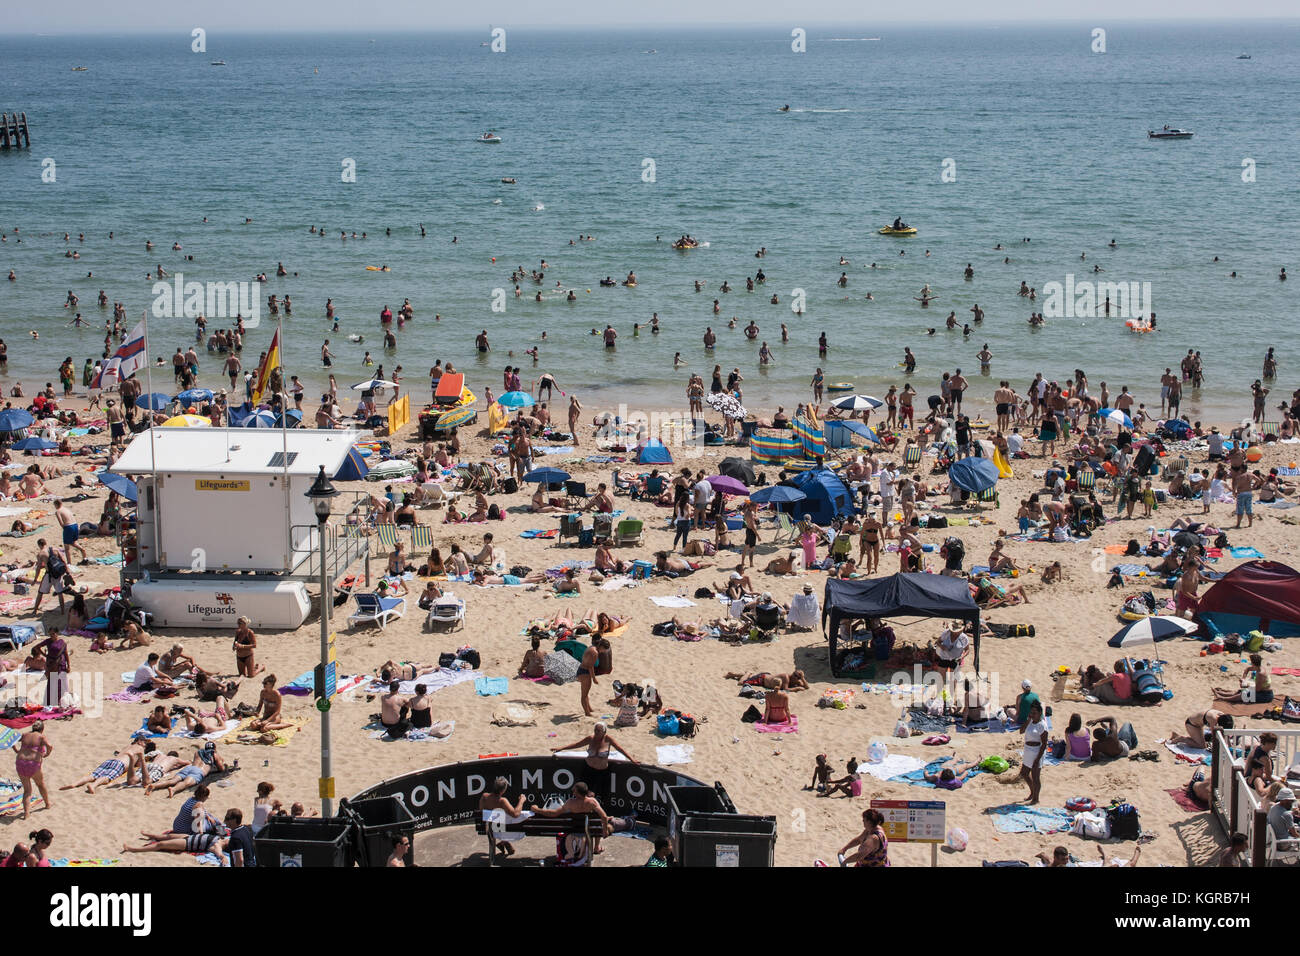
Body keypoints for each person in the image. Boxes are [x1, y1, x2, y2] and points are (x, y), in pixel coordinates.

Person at [14, 721, 53, 819]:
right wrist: (47, 754)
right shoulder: (41, 737)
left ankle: (26, 813)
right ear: (42, 730)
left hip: (20, 763)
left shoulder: (24, 735)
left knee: (27, 790)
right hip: (33, 764)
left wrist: (16, 750)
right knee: (40, 784)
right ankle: (47, 804)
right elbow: (50, 746)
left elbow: (12, 741)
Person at [1019, 701, 1048, 803]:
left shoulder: (1042, 725)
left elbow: (1044, 744)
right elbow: (1021, 731)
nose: (1032, 715)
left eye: (1034, 713)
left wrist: (1038, 758)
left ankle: (1036, 798)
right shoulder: (1030, 721)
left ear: (1040, 713)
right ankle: (1032, 792)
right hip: (1028, 750)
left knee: (1036, 777)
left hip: (1037, 751)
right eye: (1031, 713)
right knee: (1024, 773)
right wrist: (1028, 720)